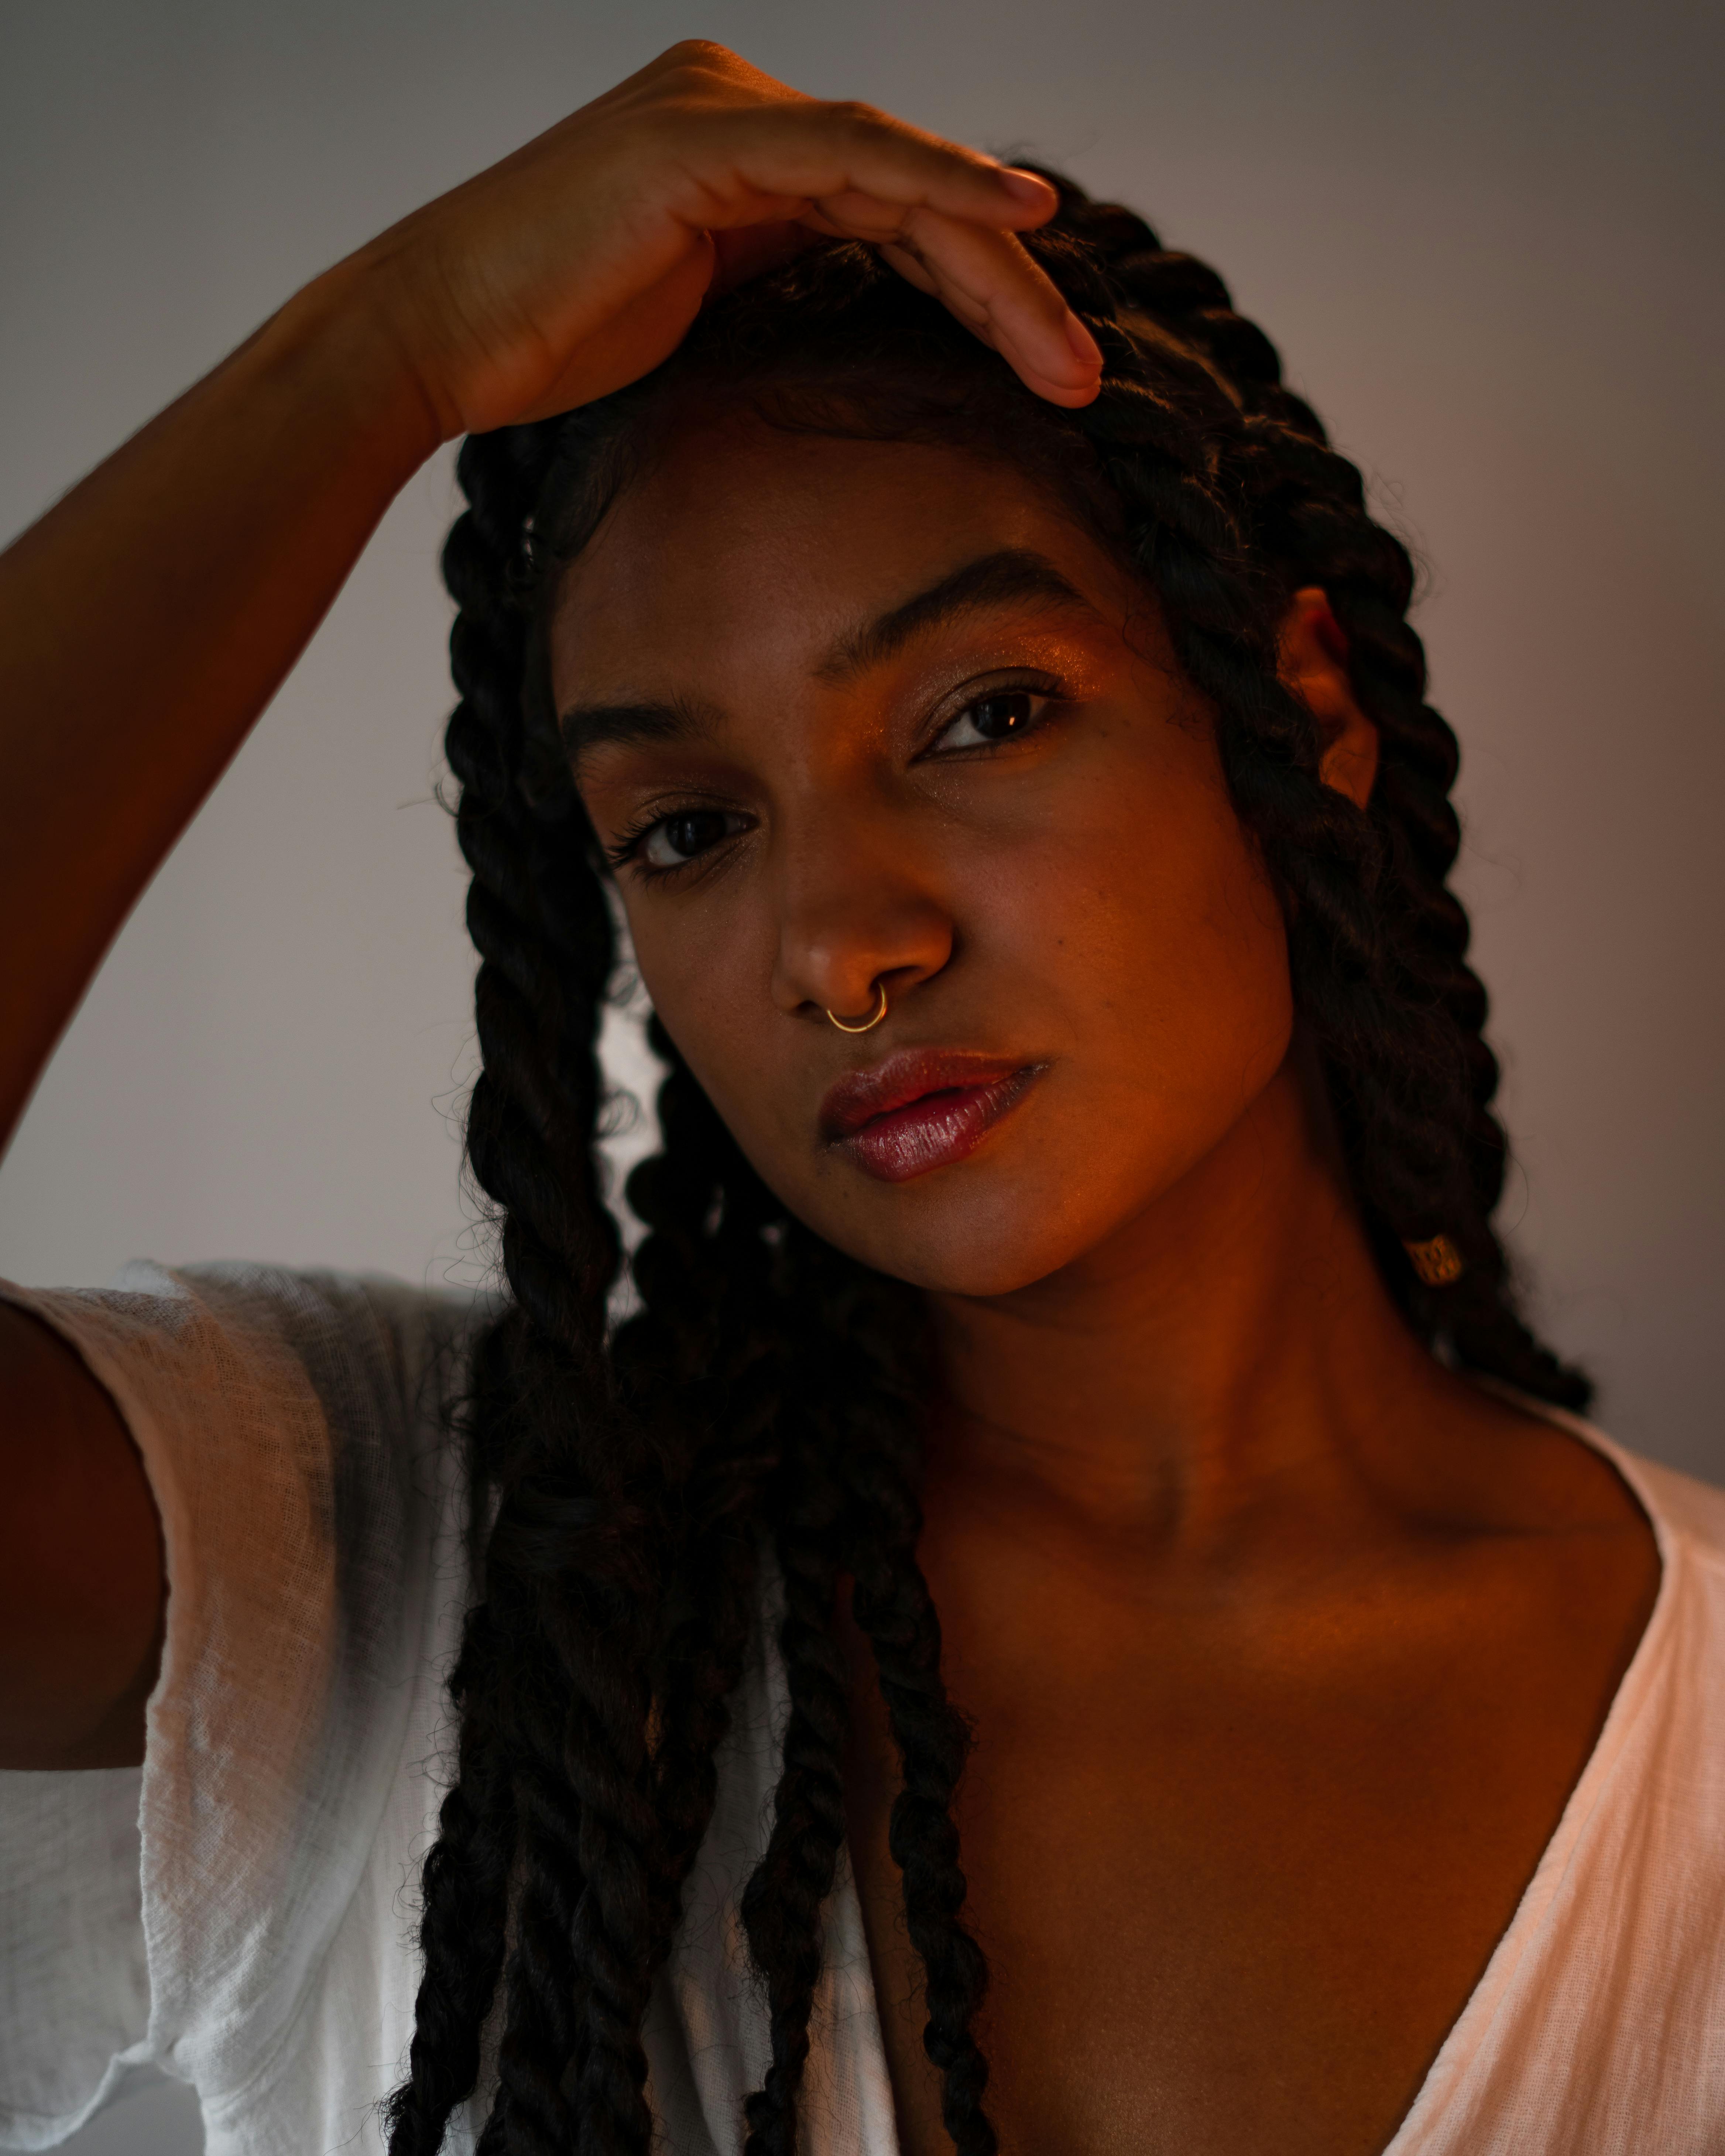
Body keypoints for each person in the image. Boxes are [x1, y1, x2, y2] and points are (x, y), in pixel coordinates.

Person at [0, 37, 1715, 2156]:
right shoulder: (423, 1585)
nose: (839, 946)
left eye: (982, 716)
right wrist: (376, 357)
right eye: (689, 828)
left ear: (1305, 711)